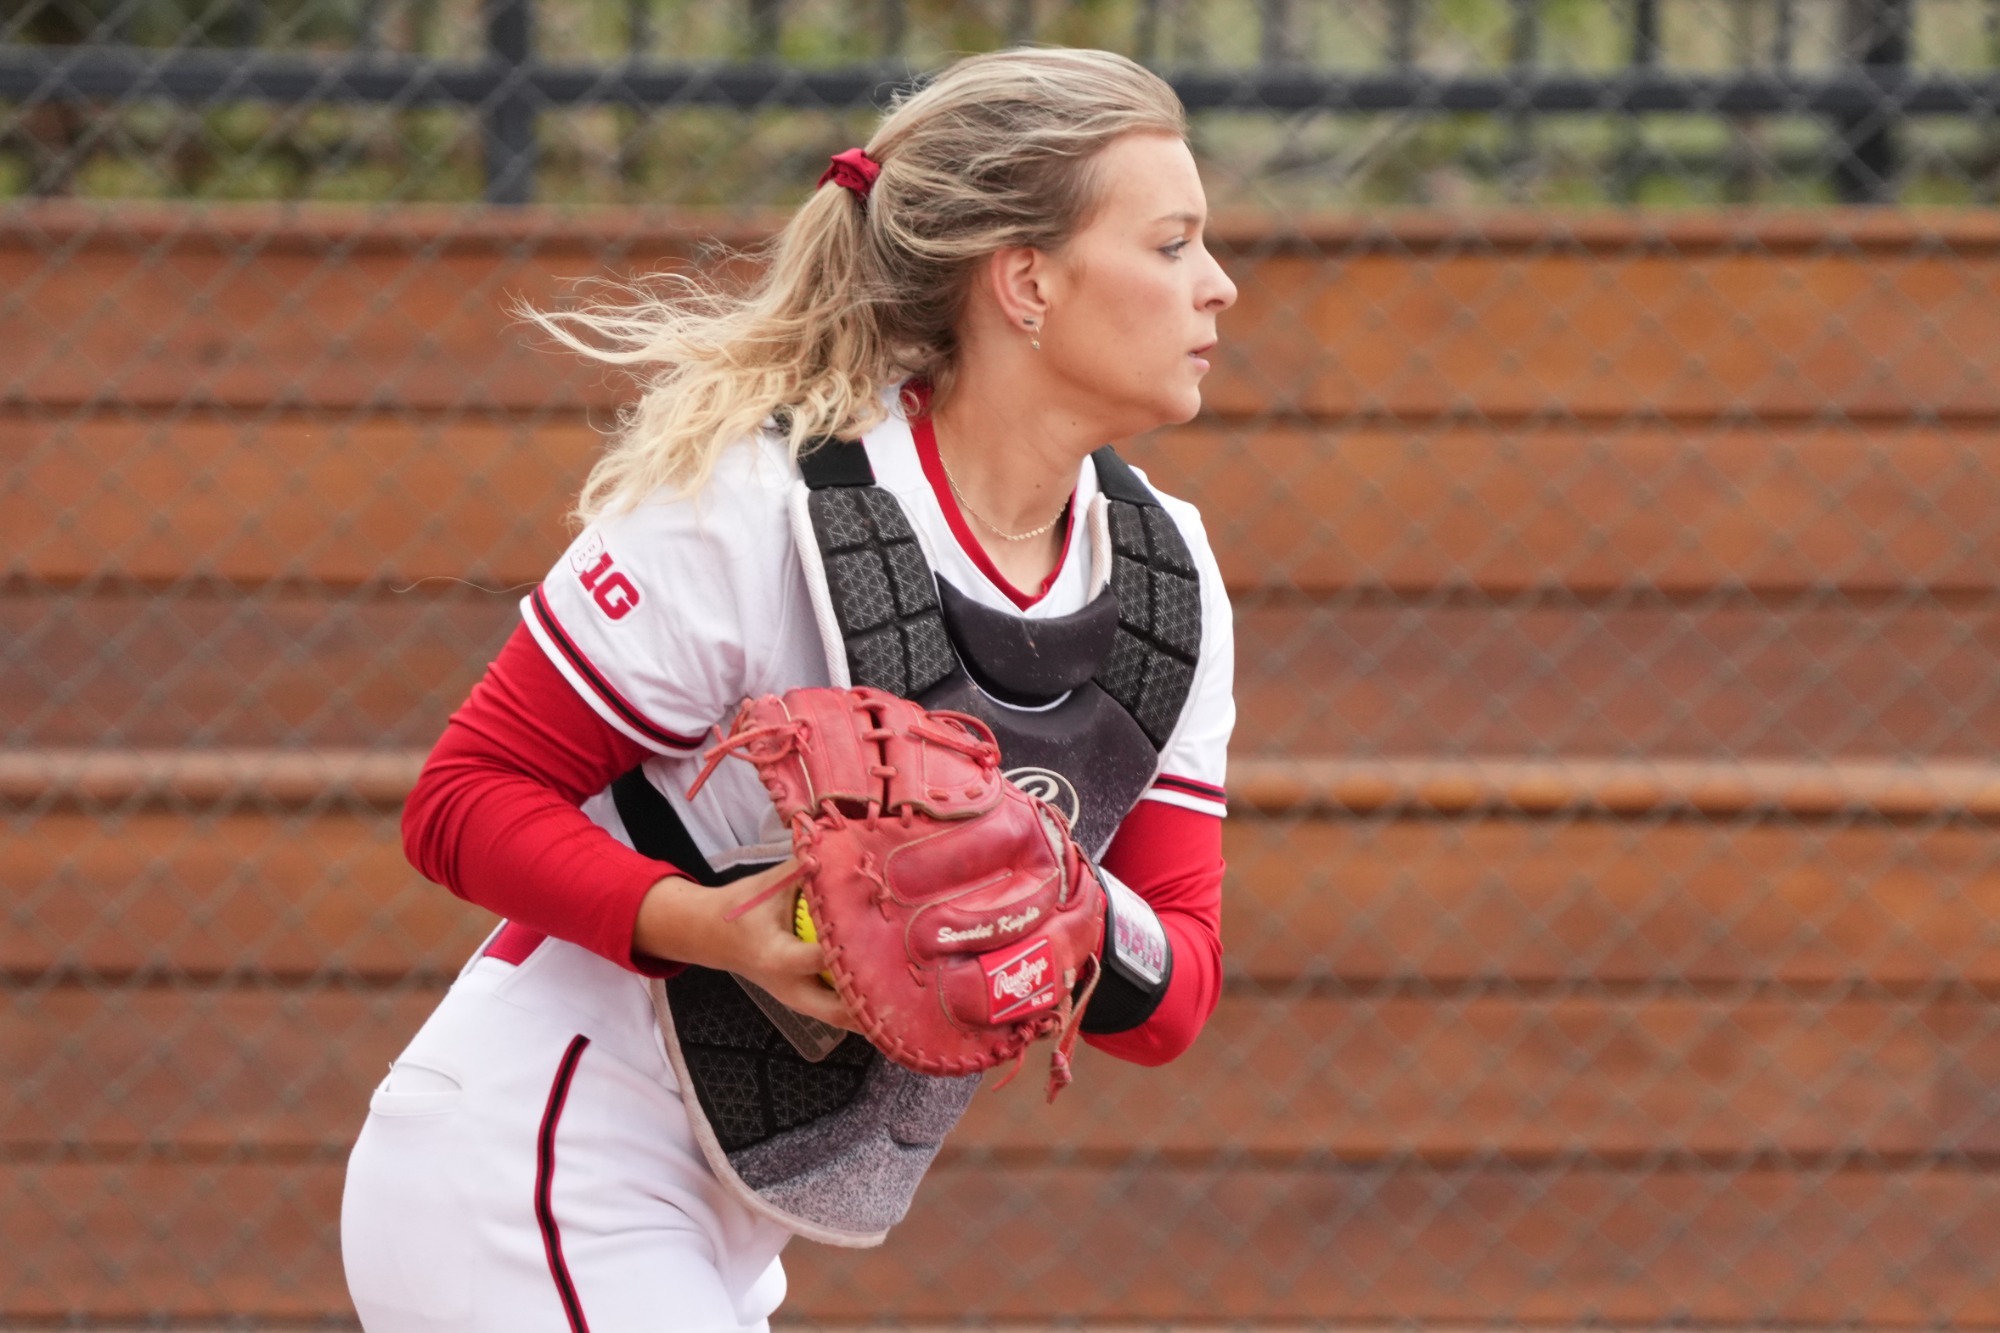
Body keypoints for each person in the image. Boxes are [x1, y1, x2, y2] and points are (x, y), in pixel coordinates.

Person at [340, 44, 1238, 1333]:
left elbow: (1174, 1002)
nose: (1218, 285)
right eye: (1170, 243)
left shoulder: (1167, 579)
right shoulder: (760, 506)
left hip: (732, 1217)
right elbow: (462, 801)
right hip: (542, 1148)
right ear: (1027, 281)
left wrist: (1068, 900)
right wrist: (718, 927)